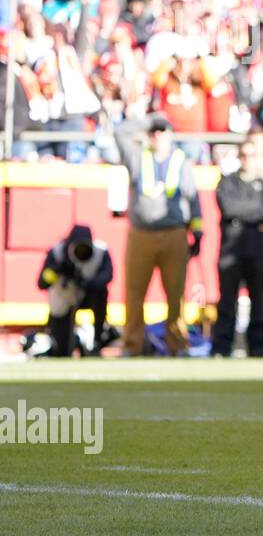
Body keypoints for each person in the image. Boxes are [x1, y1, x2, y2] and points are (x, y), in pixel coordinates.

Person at [113, 114, 203, 357]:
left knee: (176, 293)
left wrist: (198, 231)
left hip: (174, 233)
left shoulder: (180, 160)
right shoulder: (138, 156)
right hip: (141, 232)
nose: (158, 135)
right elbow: (120, 132)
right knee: (134, 292)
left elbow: (193, 198)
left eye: (163, 130)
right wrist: (149, 121)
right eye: (155, 131)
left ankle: (177, 343)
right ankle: (132, 344)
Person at [212, 135, 263, 357]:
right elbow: (229, 208)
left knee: (260, 300)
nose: (247, 160)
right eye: (243, 155)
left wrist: (250, 213)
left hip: (258, 250)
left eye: (251, 155)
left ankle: (259, 347)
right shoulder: (228, 182)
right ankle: (222, 347)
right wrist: (257, 214)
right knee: (227, 301)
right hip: (231, 251)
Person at [38, 224, 113, 357]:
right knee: (60, 350)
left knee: (101, 293)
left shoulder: (100, 252)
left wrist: (86, 282)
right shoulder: (58, 251)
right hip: (64, 299)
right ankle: (64, 341)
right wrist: (58, 269)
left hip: (88, 295)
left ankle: (97, 340)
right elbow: (42, 283)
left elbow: (107, 276)